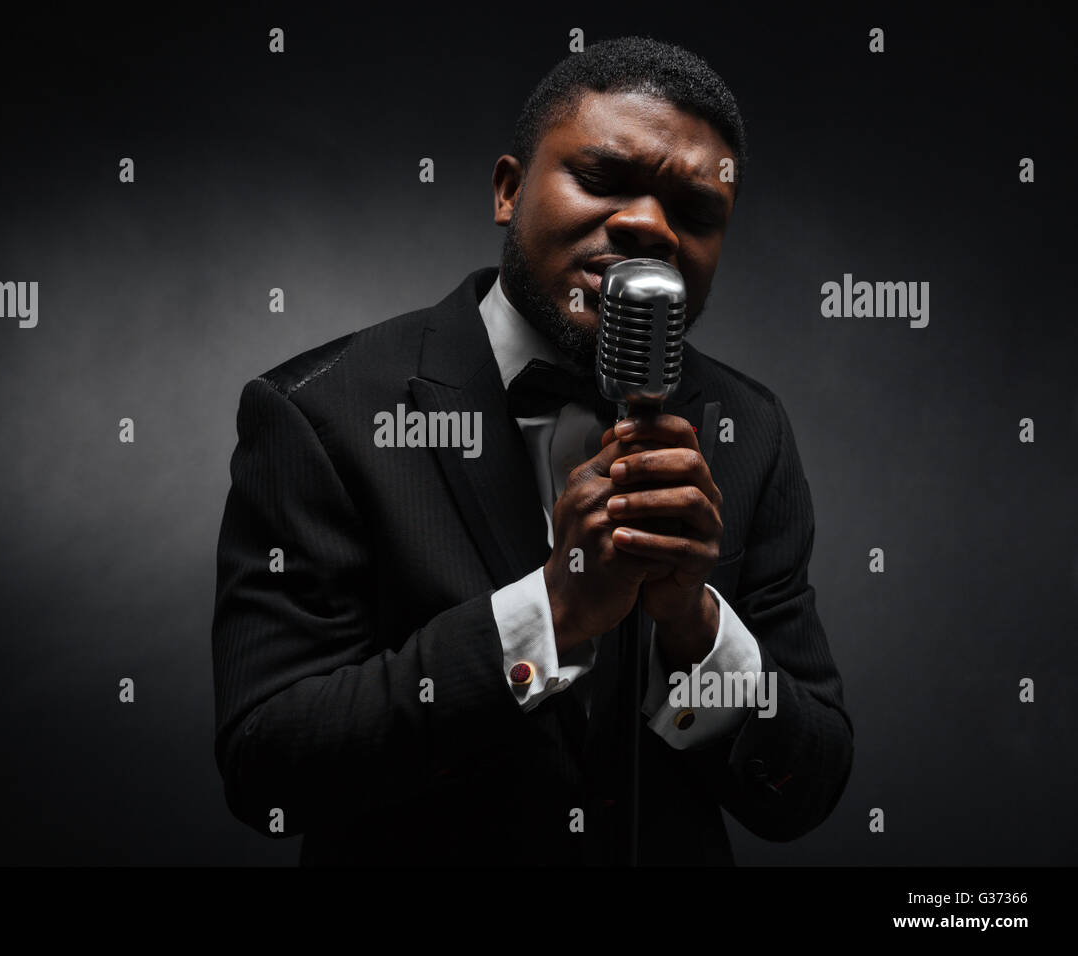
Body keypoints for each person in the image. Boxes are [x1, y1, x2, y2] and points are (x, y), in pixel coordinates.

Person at [211, 35, 853, 866]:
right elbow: (268, 770)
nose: (647, 226)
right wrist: (550, 612)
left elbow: (805, 788)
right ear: (509, 190)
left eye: (694, 213)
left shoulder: (750, 428)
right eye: (603, 179)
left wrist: (696, 629)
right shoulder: (316, 413)